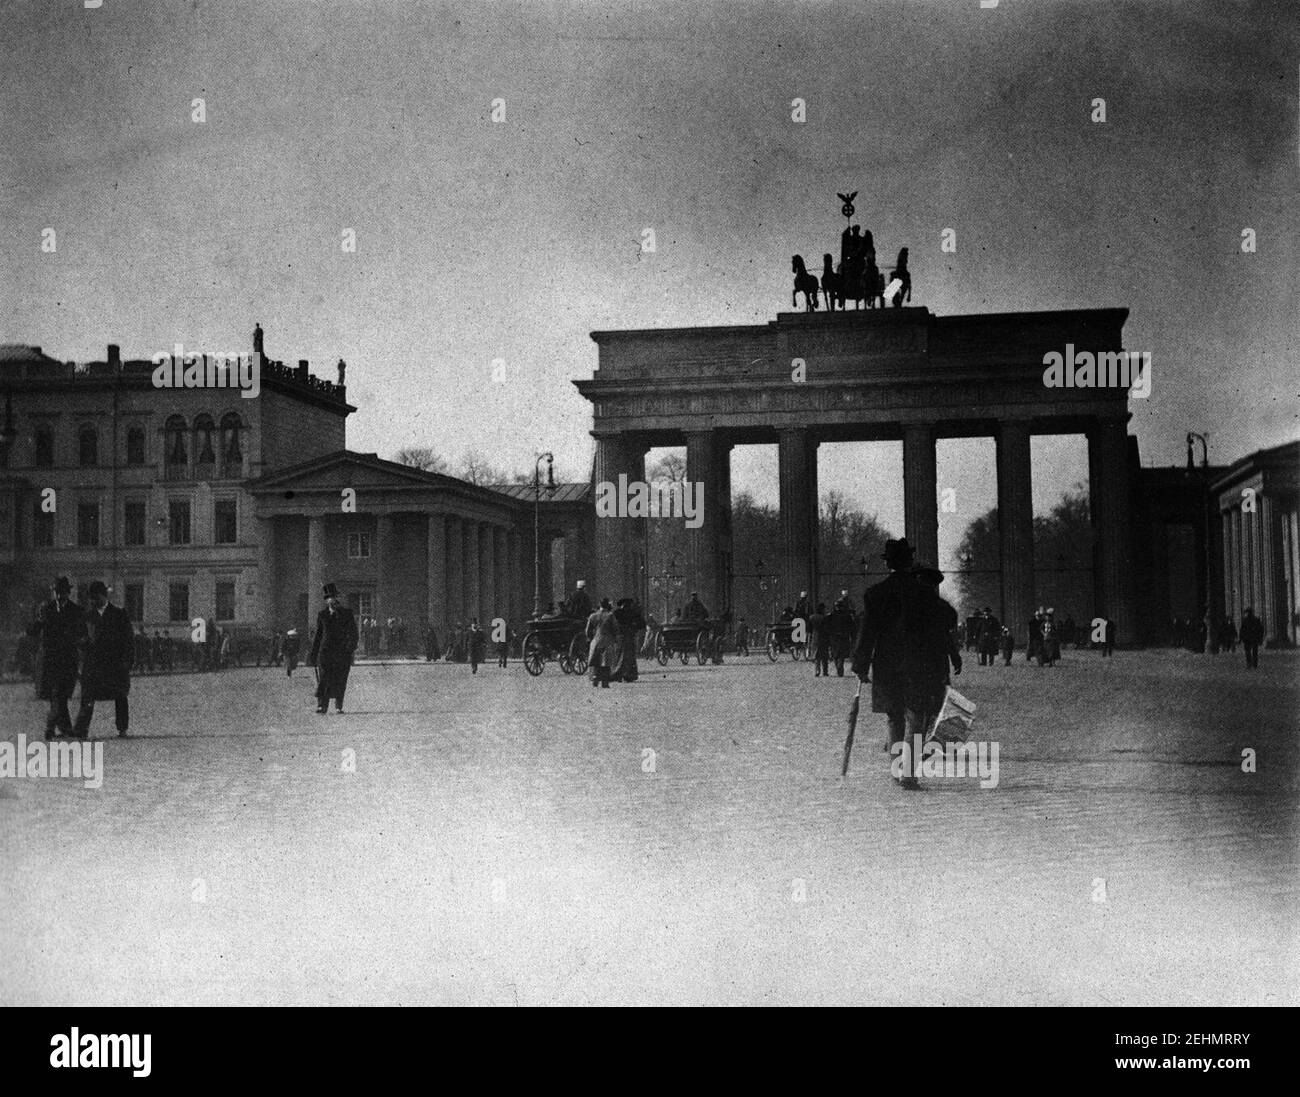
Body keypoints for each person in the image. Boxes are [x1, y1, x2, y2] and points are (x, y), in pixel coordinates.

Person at [851, 538, 944, 790]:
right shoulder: (924, 593)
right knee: (915, 717)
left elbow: (867, 633)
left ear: (887, 564)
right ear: (909, 562)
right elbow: (935, 632)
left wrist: (861, 664)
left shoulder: (875, 594)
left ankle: (896, 769)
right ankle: (909, 774)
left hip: (886, 664)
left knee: (894, 716)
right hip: (917, 663)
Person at [72, 580, 134, 738]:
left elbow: (128, 640)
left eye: (95, 597)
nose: (92, 601)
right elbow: (79, 638)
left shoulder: (119, 614)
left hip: (115, 664)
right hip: (93, 664)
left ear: (103, 595)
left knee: (120, 695)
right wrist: (84, 643)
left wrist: (127, 663)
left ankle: (122, 728)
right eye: (91, 598)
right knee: (88, 696)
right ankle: (81, 730)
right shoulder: (87, 617)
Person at [29, 576, 82, 740]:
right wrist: (39, 621)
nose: (59, 596)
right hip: (50, 660)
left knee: (61, 695)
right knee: (57, 694)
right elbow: (32, 631)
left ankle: (63, 728)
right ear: (54, 592)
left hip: (68, 659)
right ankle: (52, 728)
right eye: (57, 592)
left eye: (63, 592)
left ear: (68, 593)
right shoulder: (46, 609)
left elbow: (80, 633)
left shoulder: (75, 610)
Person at [308, 584, 358, 713]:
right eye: (329, 598)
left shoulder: (347, 614)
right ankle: (322, 705)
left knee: (340, 679)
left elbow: (354, 633)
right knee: (324, 678)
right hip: (325, 653)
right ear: (326, 600)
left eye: (334, 597)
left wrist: (349, 649)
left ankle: (338, 706)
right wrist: (313, 655)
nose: (332, 600)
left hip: (342, 653)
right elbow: (318, 636)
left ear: (337, 598)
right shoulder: (322, 615)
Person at [585, 598, 619, 688]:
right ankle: (605, 682)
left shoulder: (593, 616)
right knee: (606, 661)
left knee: (596, 660)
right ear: (608, 605)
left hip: (596, 640)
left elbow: (588, 630)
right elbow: (615, 628)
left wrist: (590, 638)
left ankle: (595, 679)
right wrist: (615, 638)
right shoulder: (610, 615)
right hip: (607, 640)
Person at [611, 598, 645, 682]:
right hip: (624, 636)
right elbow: (642, 624)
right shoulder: (623, 613)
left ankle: (622, 674)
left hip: (625, 636)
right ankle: (625, 675)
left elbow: (642, 624)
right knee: (627, 656)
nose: (626, 607)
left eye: (627, 605)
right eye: (625, 605)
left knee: (623, 655)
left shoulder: (618, 613)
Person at [809, 602, 830, 677]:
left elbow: (809, 628)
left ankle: (817, 670)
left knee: (817, 655)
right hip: (823, 637)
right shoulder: (824, 618)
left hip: (815, 636)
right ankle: (825, 671)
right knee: (824, 655)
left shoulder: (811, 617)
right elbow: (827, 628)